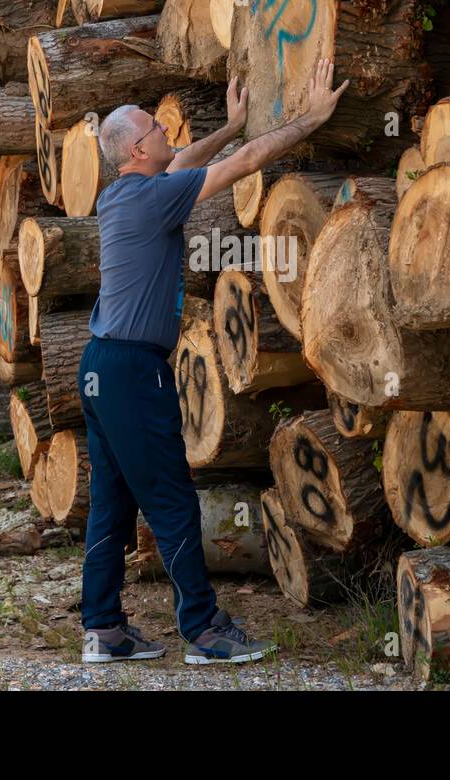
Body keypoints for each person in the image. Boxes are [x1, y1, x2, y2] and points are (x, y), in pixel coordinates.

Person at [77, 59, 349, 664]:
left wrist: (231, 125)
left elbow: (187, 160)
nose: (167, 132)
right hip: (130, 373)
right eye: (156, 128)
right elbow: (246, 165)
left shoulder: (121, 196)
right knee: (172, 500)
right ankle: (203, 631)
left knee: (112, 502)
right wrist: (311, 117)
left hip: (98, 368)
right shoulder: (150, 197)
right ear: (137, 150)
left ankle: (104, 630)